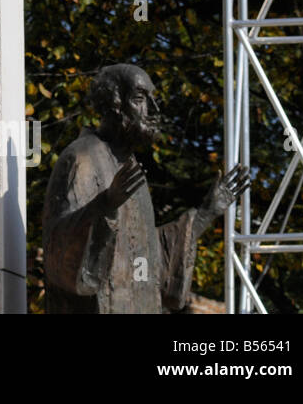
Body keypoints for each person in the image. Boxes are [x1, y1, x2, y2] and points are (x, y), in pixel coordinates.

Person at [43, 63, 251, 313]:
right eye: (140, 98)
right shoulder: (82, 157)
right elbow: (59, 250)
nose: (154, 109)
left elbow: (151, 258)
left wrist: (206, 212)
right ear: (114, 105)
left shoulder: (131, 171)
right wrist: (105, 205)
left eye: (154, 98)